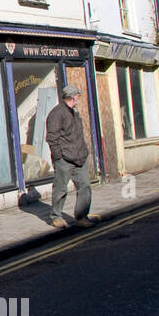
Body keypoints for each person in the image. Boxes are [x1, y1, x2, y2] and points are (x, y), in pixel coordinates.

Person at [45, 84, 94, 229]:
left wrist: (84, 152)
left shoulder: (74, 112)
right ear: (72, 97)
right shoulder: (57, 113)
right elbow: (52, 138)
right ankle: (56, 216)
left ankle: (82, 217)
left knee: (85, 186)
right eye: (78, 95)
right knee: (61, 188)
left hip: (80, 157)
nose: (79, 98)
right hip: (65, 158)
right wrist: (58, 157)